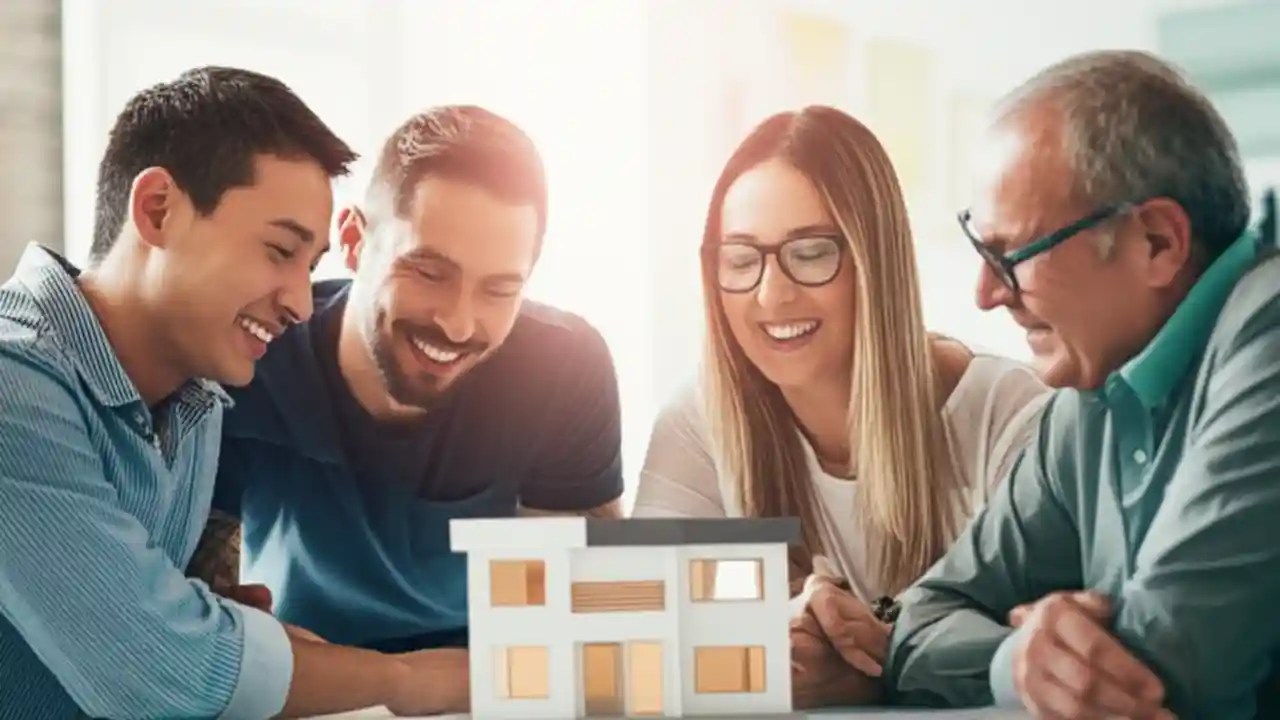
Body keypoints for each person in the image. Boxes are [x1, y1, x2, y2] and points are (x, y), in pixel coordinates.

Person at [0, 66, 472, 719]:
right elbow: (161, 670)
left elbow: (179, 636)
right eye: (280, 251)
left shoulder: (198, 402)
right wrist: (408, 681)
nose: (303, 305)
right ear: (157, 209)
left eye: (311, 269)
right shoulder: (12, 386)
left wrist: (215, 621)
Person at [884, 50, 1280, 720]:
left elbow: (1172, 666)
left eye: (1010, 255)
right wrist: (1022, 658)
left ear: (1156, 241)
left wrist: (1030, 658)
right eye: (982, 252)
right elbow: (919, 624)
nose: (986, 294)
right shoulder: (1088, 393)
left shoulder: (1268, 330)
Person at [632, 105, 1049, 708]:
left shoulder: (1008, 418)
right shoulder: (697, 421)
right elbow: (641, 635)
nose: (772, 295)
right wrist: (780, 635)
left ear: (874, 261)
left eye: (810, 253)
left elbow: (1045, 653)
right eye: (742, 260)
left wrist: (886, 665)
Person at [191, 105, 623, 675]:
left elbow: (584, 628)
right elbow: (199, 631)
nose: (460, 324)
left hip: (490, 692)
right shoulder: (254, 357)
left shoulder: (564, 368)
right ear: (352, 241)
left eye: (499, 290)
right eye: (429, 272)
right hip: (311, 686)